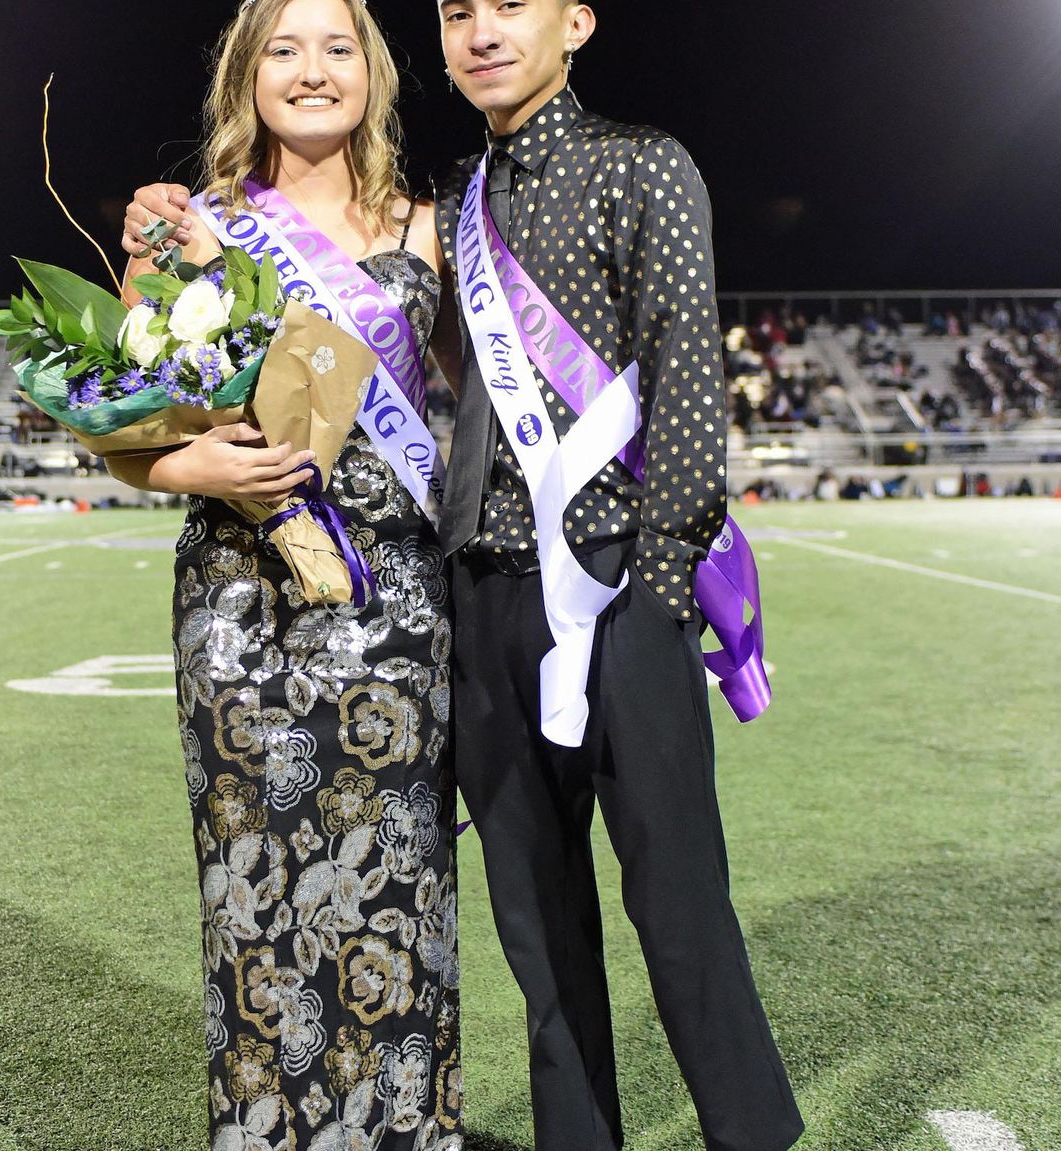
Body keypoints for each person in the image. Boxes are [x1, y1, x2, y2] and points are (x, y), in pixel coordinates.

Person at [432, 3, 803, 1150]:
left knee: (679, 905)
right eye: (456, 12)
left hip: (620, 585)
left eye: (510, 6)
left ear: (576, 21)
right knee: (538, 928)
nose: (482, 32)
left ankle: (751, 1133)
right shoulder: (454, 206)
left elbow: (691, 391)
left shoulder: (644, 167)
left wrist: (655, 593)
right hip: (485, 595)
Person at [113, 2, 462, 1148]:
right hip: (239, 600)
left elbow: (478, 421)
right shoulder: (188, 227)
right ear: (245, 74)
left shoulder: (432, 228)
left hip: (395, 604)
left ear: (373, 71)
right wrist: (190, 462)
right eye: (284, 49)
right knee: (251, 892)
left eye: (338, 47)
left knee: (398, 886)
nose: (313, 72)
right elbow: (125, 428)